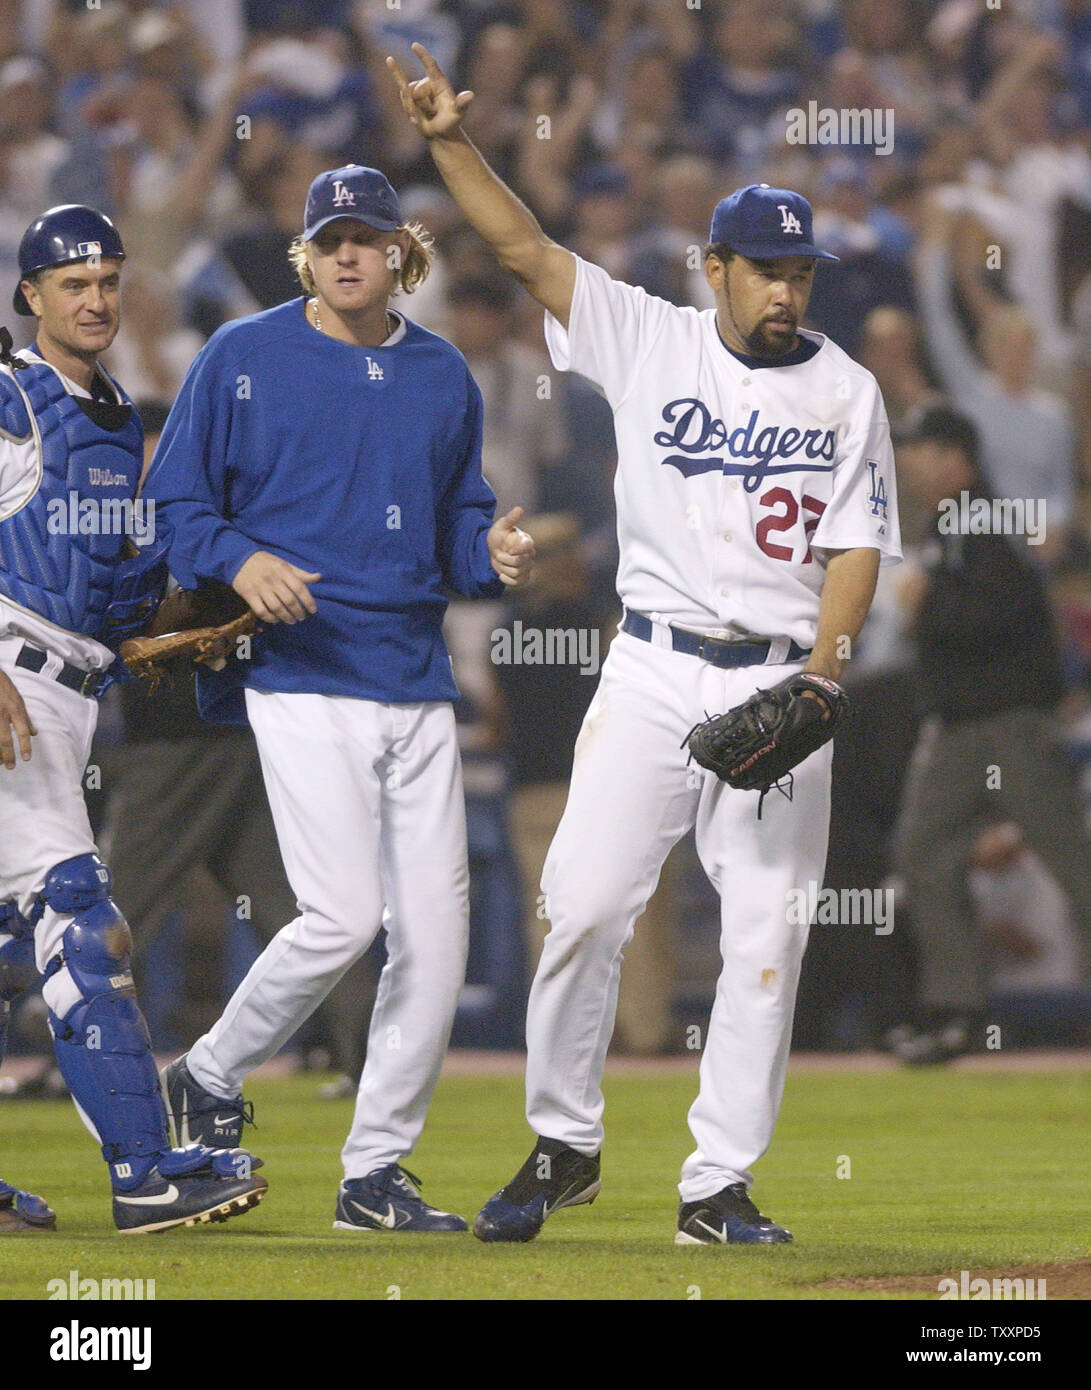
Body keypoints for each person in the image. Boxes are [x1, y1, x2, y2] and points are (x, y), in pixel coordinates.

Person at [388, 45, 900, 1246]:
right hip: (655, 661)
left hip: (781, 670)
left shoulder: (846, 392)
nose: (786, 290)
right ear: (711, 267)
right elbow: (522, 250)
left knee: (766, 931)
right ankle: (563, 1141)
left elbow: (856, 543)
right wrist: (453, 142)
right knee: (579, 905)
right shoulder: (647, 336)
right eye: (764, 269)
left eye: (799, 271)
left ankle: (715, 1185)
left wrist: (826, 667)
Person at [143, 163, 535, 1233]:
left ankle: (373, 1172)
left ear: (400, 251)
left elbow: (457, 525)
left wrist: (488, 550)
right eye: (329, 237)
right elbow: (173, 501)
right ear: (305, 251)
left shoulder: (442, 372)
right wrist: (241, 556)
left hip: (414, 674)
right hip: (300, 666)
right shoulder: (242, 355)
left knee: (439, 945)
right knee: (341, 916)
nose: (347, 252)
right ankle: (208, 1073)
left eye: (365, 236)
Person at [0, 204, 266, 1234]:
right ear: (30, 297)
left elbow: (102, 598)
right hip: (10, 690)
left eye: (108, 280)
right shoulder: (15, 395)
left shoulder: (112, 416)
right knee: (80, 925)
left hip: (62, 695)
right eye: (72, 284)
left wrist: (169, 629)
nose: (96, 299)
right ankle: (146, 1174)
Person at [890, 405, 1091, 1063]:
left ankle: (955, 1014)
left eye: (919, 449)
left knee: (1072, 867)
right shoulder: (952, 523)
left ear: (956, 459)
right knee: (924, 853)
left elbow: (1002, 611)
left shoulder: (979, 519)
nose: (908, 461)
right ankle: (955, 1013)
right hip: (963, 732)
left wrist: (928, 605)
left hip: (1008, 727)